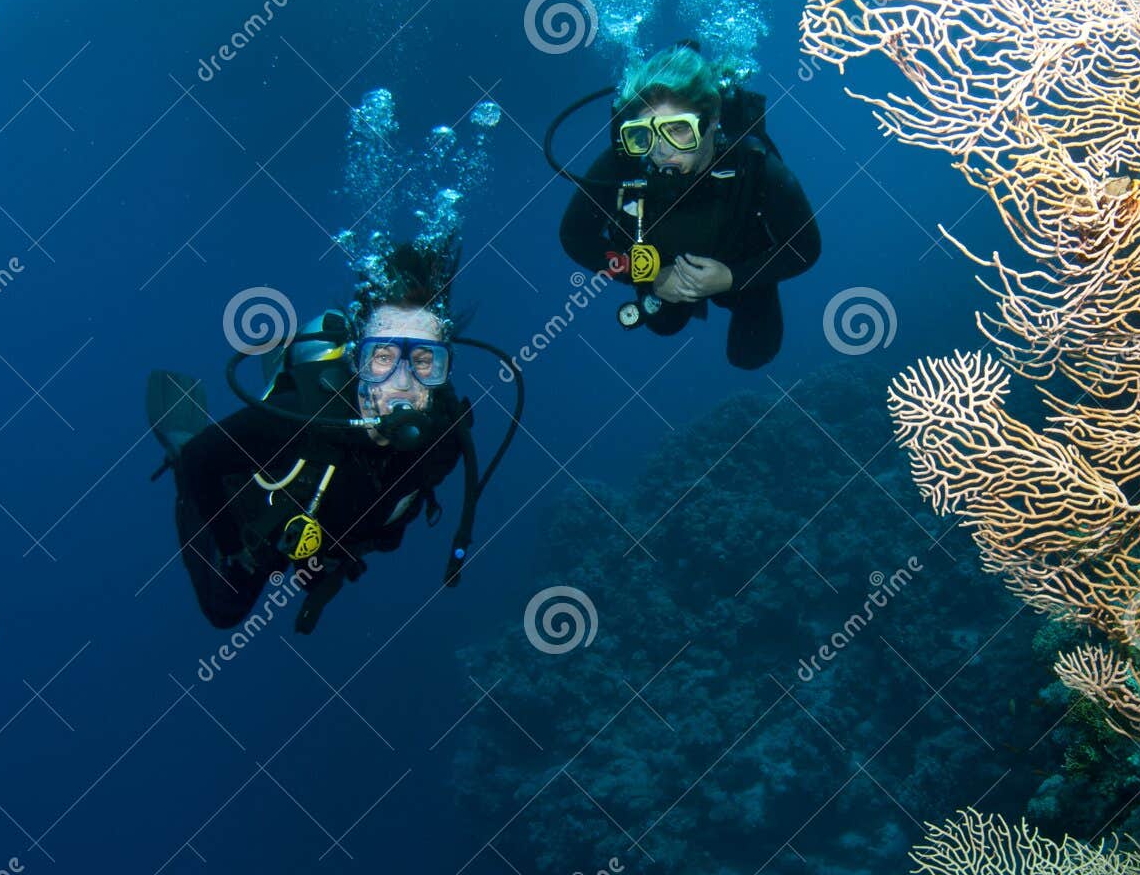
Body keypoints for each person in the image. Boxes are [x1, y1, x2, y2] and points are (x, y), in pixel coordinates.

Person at [148, 242, 517, 634]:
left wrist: (326, 557)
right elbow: (200, 461)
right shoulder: (303, 418)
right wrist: (234, 549)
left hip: (321, 532)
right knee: (225, 610)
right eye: (383, 358)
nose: (403, 384)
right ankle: (184, 431)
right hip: (257, 504)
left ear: (444, 368)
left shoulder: (445, 437)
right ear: (358, 359)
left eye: (425, 361)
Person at [557, 43, 821, 369]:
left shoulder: (752, 164)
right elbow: (574, 237)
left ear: (712, 121)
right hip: (662, 273)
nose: (661, 151)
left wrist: (732, 278)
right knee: (663, 325)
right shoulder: (624, 162)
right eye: (644, 135)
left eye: (678, 130)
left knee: (752, 354)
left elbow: (805, 247)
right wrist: (648, 275)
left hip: (741, 267)